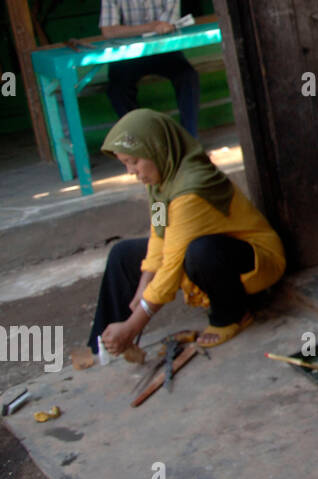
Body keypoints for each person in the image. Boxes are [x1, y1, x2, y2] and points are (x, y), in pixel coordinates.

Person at [89, 109, 285, 354]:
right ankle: (104, 346)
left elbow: (171, 265)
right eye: (125, 163)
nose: (131, 171)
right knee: (123, 254)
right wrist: (142, 287)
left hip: (255, 260)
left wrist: (135, 322)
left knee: (199, 251)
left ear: (157, 149)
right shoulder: (161, 183)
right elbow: (159, 235)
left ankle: (232, 315)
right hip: (208, 254)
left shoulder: (190, 190)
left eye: (134, 161)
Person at [99, 0, 201, 138]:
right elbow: (108, 31)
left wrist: (149, 28)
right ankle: (143, 142)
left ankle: (189, 139)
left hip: (164, 50)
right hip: (129, 55)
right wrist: (150, 27)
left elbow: (168, 21)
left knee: (188, 77)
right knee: (117, 90)